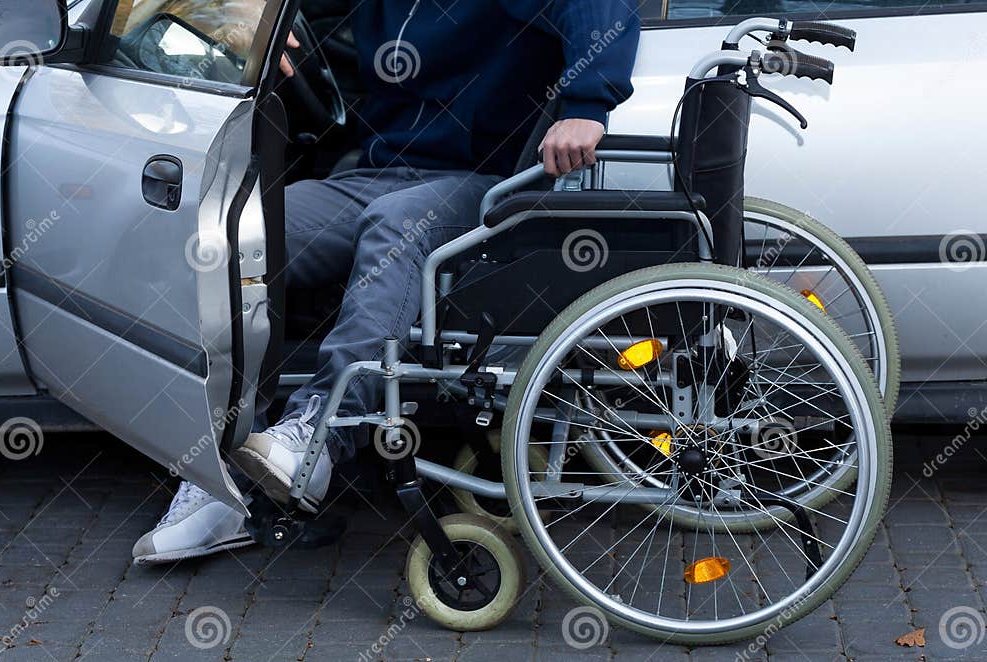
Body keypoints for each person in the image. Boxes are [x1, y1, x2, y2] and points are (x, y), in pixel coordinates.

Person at [132, 0, 640, 565]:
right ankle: (220, 473)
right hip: (380, 173)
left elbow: (602, 6)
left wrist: (589, 105)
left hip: (483, 184)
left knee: (396, 225)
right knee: (247, 231)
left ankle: (317, 435)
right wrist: (248, 25)